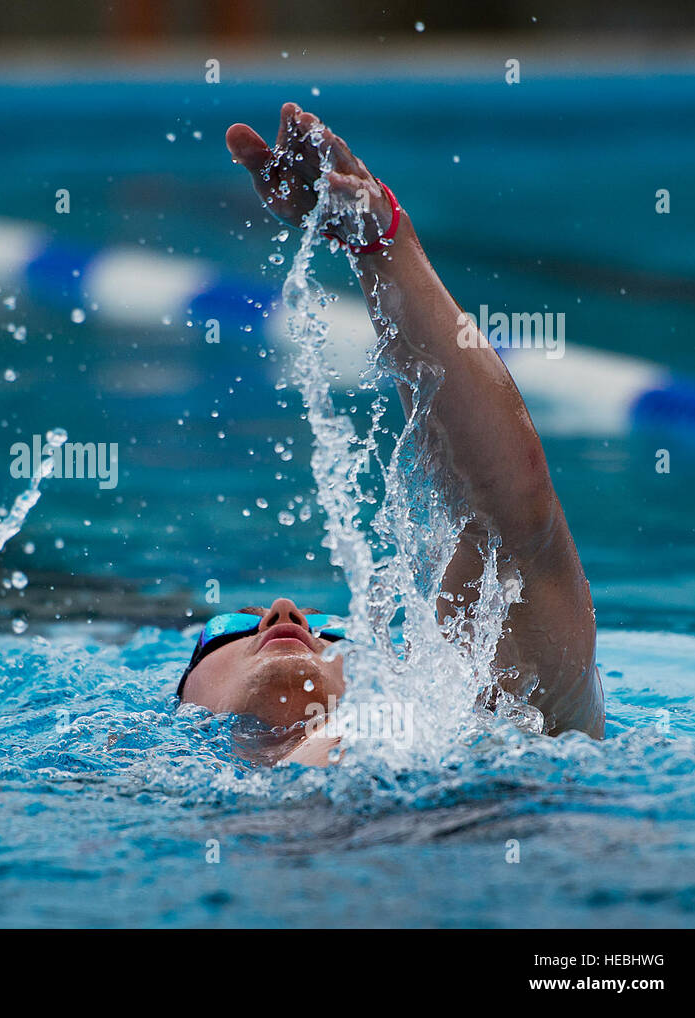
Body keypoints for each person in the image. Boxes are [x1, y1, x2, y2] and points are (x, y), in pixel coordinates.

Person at [176, 103, 604, 762]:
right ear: (184, 699)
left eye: (331, 634)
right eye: (229, 629)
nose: (287, 614)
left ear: (378, 674)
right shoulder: (107, 783)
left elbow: (510, 520)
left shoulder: (470, 731)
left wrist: (380, 245)